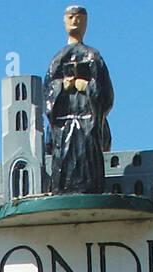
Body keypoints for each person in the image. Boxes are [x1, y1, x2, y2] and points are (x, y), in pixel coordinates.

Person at [45, 6, 114, 194]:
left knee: (87, 156)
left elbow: (106, 94)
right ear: (65, 21)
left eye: (79, 18)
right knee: (64, 157)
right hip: (64, 126)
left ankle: (90, 186)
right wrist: (63, 86)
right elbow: (48, 94)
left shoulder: (93, 57)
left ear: (86, 23)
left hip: (88, 124)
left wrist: (87, 87)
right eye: (71, 17)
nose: (75, 21)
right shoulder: (58, 59)